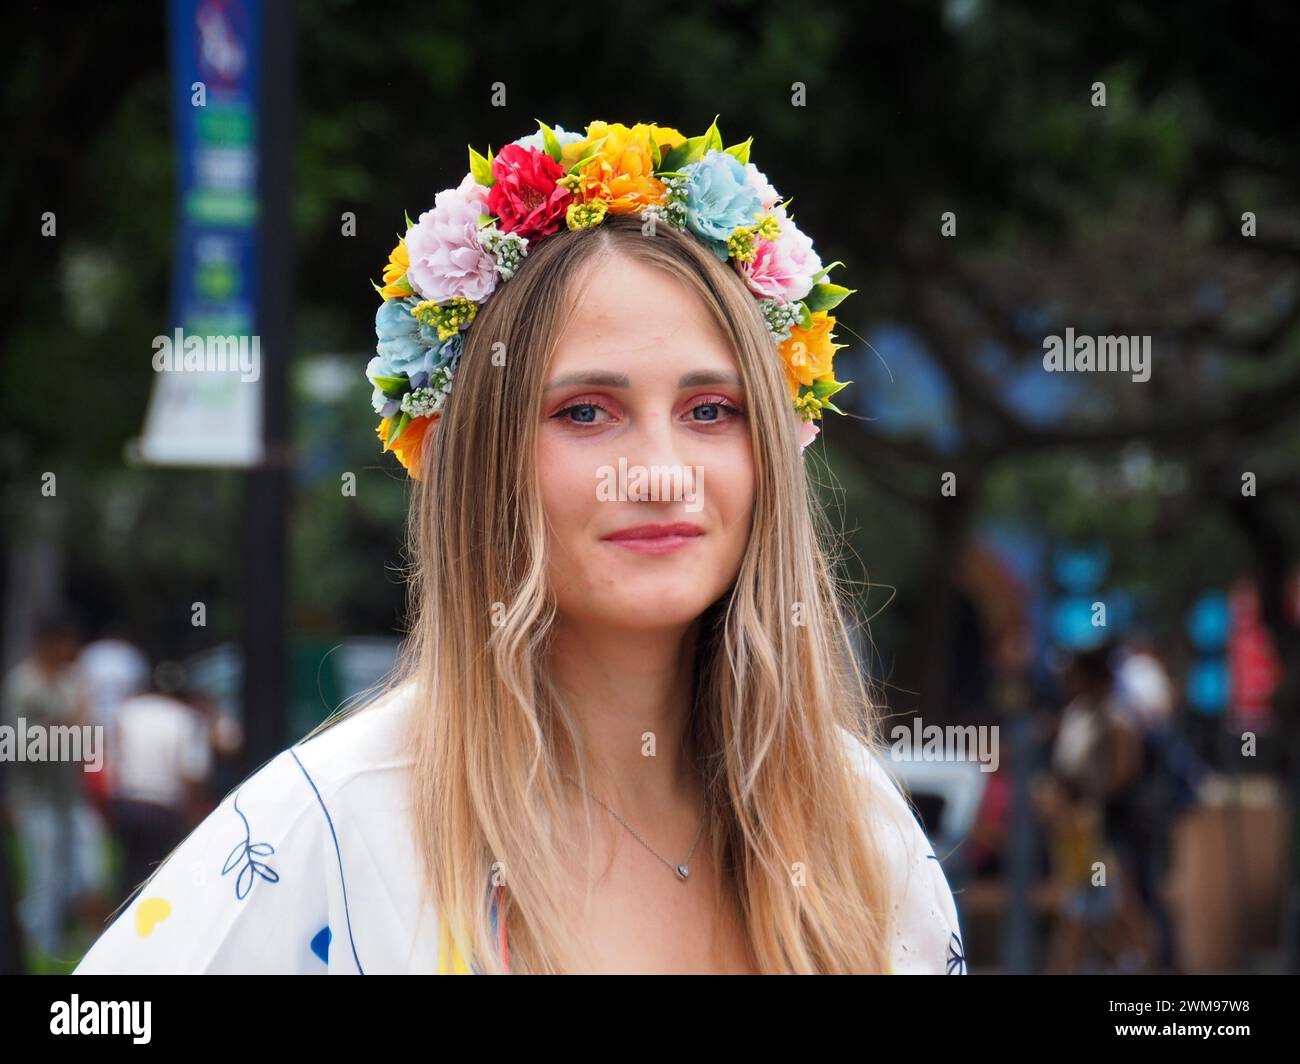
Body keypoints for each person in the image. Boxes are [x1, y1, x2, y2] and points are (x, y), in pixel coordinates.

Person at [74, 118, 964, 974]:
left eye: (710, 411)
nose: (659, 474)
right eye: (585, 411)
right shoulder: (330, 828)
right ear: (481, 461)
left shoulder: (857, 829)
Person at [1, 614, 105, 964]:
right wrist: (66, 725)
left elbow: (83, 737)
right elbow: (14, 743)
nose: (71, 649)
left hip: (71, 797)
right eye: (65, 641)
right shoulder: (22, 684)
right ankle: (34, 950)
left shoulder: (69, 682)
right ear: (48, 641)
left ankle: (63, 945)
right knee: (43, 879)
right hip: (35, 799)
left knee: (87, 870)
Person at [104, 661, 213, 902]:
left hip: (128, 801)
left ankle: (121, 921)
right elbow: (192, 772)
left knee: (129, 868)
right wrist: (193, 813)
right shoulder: (186, 718)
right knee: (157, 872)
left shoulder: (129, 710)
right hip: (163, 806)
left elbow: (112, 757)